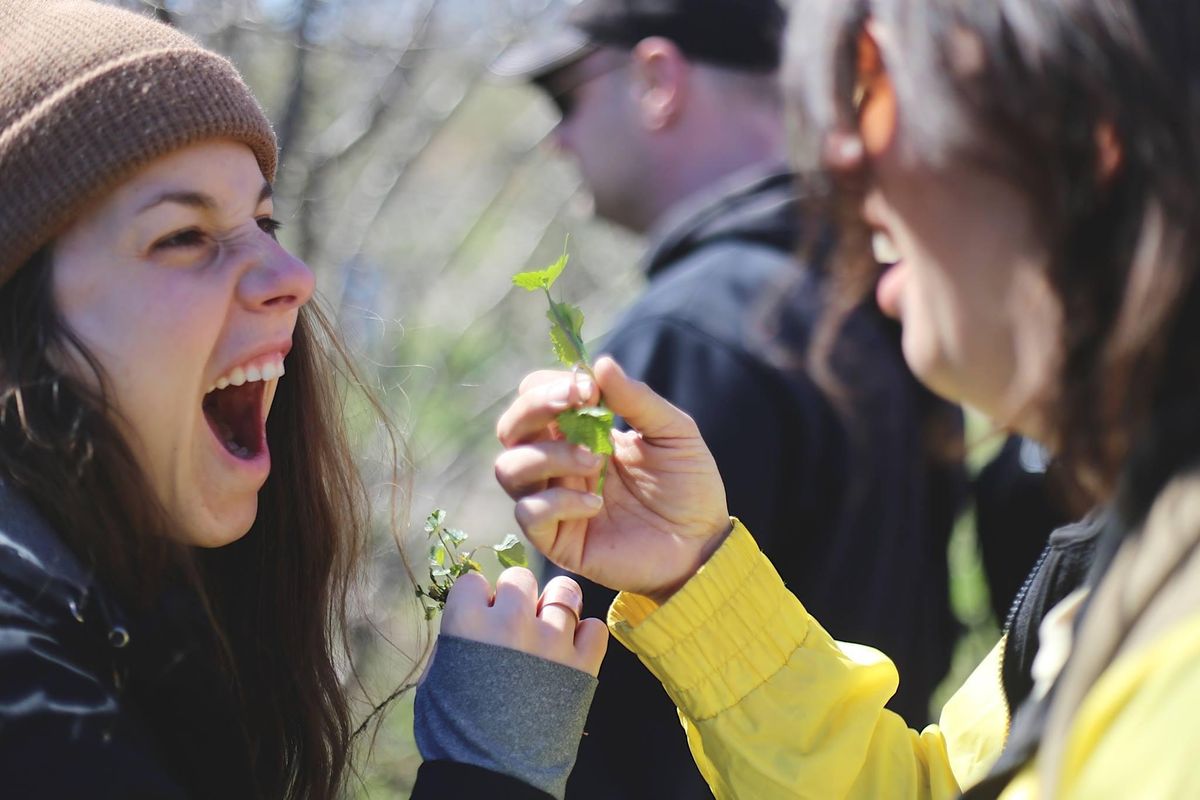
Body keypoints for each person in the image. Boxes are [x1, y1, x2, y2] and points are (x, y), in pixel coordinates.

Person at [493, 0, 1200, 797]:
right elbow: (937, 788)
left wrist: (478, 751)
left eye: (876, 83)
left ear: (1079, 140)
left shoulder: (1179, 664)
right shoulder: (1141, 551)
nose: (835, 149)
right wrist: (692, 577)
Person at [0, 3, 605, 798]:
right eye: (182, 235)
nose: (292, 276)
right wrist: (493, 765)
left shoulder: (146, 621)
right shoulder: (24, 698)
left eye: (263, 219)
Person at [493, 2, 965, 792]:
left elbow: (592, 722)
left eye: (563, 94)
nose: (558, 139)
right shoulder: (895, 320)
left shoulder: (680, 339)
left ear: (656, 78)